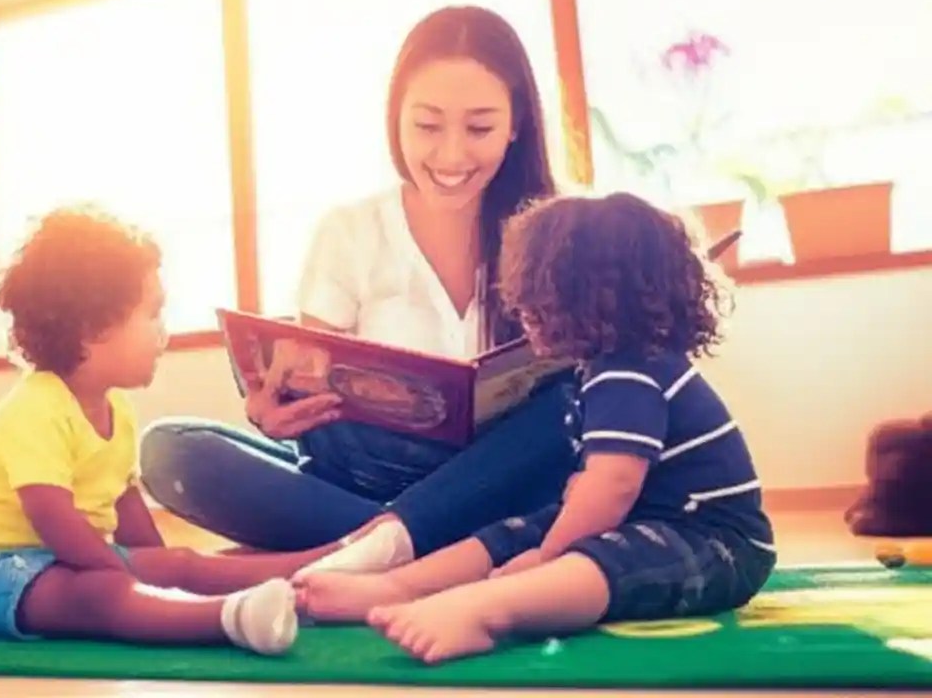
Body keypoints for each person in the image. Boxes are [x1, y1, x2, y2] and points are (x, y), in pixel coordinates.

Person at [140, 5, 579, 572]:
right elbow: (317, 406)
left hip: (504, 473)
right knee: (173, 449)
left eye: (479, 128)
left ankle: (378, 549)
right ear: (394, 118)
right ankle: (445, 551)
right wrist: (279, 412)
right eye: (426, 125)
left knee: (574, 410)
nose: (450, 155)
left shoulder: (559, 231)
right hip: (373, 473)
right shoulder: (349, 231)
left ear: (516, 124)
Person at [296, 192, 777, 664]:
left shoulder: (630, 371)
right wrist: (548, 534)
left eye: (539, 302)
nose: (522, 314)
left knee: (599, 562)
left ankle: (490, 611)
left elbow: (614, 485)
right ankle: (397, 586)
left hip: (718, 543)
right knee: (516, 532)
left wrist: (547, 557)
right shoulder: (603, 370)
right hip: (650, 517)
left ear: (594, 300)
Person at [0, 208, 338, 654]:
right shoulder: (36, 406)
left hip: (72, 559)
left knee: (183, 562)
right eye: (152, 313)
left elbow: (124, 501)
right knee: (102, 594)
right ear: (94, 329)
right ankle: (228, 617)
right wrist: (120, 570)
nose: (162, 331)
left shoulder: (117, 411)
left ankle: (318, 567)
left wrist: (163, 568)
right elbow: (51, 515)